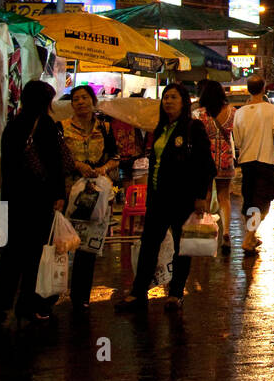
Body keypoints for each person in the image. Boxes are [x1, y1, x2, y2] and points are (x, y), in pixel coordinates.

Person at [115, 83, 215, 313]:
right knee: (149, 245)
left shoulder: (193, 128)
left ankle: (176, 293)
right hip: (158, 198)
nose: (168, 101)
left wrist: (201, 196)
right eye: (165, 97)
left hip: (183, 198)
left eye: (173, 97)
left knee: (183, 246)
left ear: (183, 102)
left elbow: (206, 165)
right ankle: (138, 293)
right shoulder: (160, 129)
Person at [0, 81, 70, 330]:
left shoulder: (12, 126)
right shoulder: (46, 126)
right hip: (39, 201)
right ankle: (27, 304)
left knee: (11, 255)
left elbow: (7, 168)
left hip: (14, 201)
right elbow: (58, 166)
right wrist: (58, 195)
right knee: (35, 256)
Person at [62, 84, 119, 312]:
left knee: (88, 245)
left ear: (92, 101)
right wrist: (77, 165)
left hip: (95, 193)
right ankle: (53, 290)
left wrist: (103, 168)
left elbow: (115, 157)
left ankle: (81, 296)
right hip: (69, 192)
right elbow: (59, 158)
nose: (81, 102)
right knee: (63, 242)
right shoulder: (62, 127)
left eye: (85, 98)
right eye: (76, 99)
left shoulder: (105, 128)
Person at [232, 75, 274, 254]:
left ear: (248, 89)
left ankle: (251, 235)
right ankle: (249, 237)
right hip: (266, 162)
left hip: (247, 163)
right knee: (263, 204)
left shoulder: (240, 112)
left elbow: (238, 140)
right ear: (263, 88)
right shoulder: (272, 111)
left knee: (251, 202)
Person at [194, 80, 236, 256]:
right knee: (224, 197)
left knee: (206, 195)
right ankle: (226, 232)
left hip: (205, 159)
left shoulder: (199, 114)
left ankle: (205, 231)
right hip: (225, 158)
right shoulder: (232, 111)